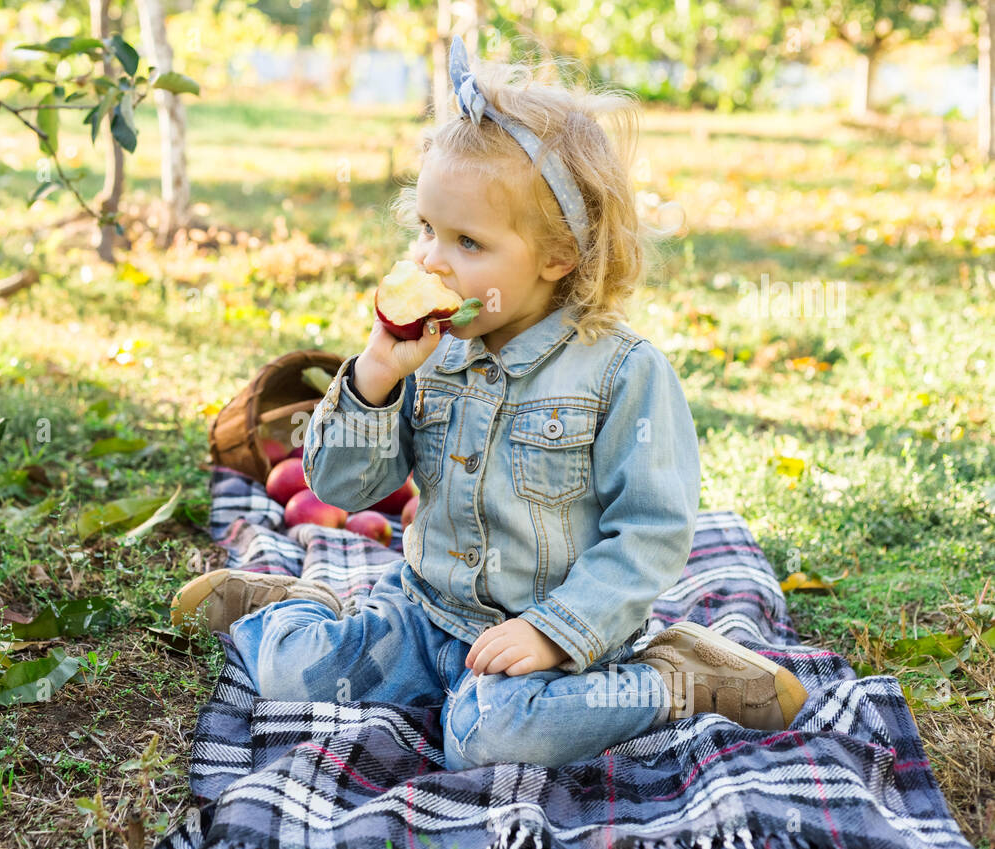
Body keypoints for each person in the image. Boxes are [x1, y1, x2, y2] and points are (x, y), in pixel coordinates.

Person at [172, 36, 807, 772]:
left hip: (559, 642)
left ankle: (673, 677)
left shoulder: (622, 374)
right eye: (426, 231)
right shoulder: (429, 350)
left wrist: (557, 631)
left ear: (557, 255)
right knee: (291, 674)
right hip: (423, 613)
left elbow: (651, 535)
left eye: (467, 241)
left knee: (489, 739)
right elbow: (345, 488)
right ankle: (295, 608)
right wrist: (374, 376)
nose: (432, 261)